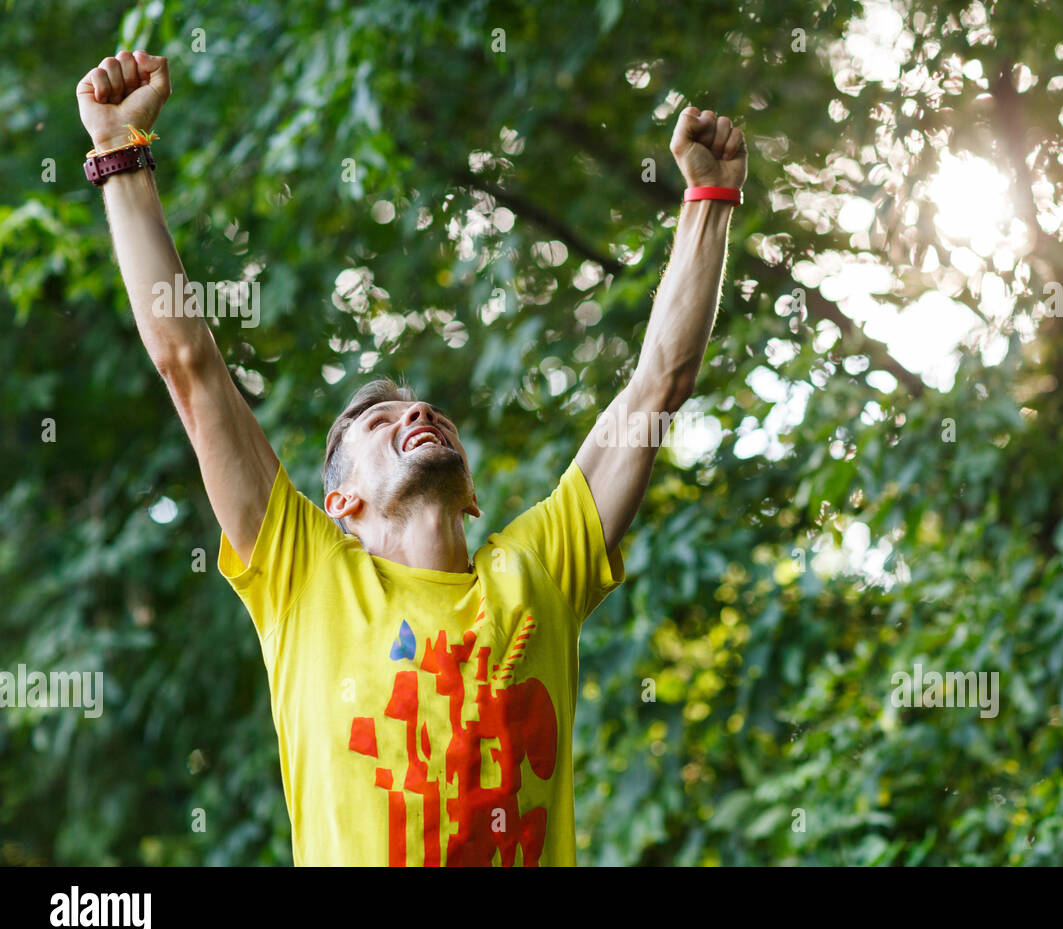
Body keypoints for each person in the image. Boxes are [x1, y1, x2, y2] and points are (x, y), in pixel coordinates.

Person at [77, 49, 747, 866]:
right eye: (381, 422)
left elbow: (657, 387)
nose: (420, 412)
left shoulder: (537, 568)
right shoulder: (307, 577)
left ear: (471, 500)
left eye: (424, 410)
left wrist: (710, 198)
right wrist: (122, 152)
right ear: (342, 505)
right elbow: (190, 363)